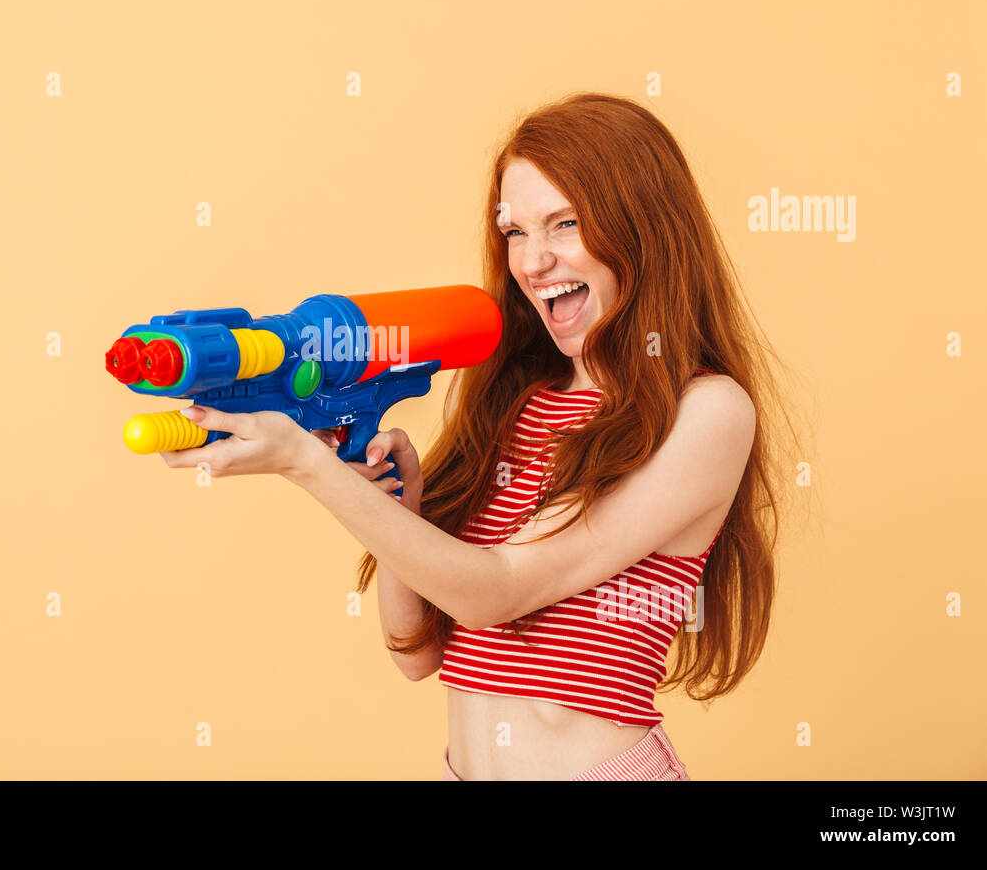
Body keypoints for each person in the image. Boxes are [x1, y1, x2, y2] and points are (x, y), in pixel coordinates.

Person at [162, 92, 797, 780]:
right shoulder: (514, 400)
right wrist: (392, 503)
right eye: (514, 231)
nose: (531, 262)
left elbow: (497, 590)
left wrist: (302, 465)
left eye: (565, 223)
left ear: (642, 229)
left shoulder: (703, 413)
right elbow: (415, 652)